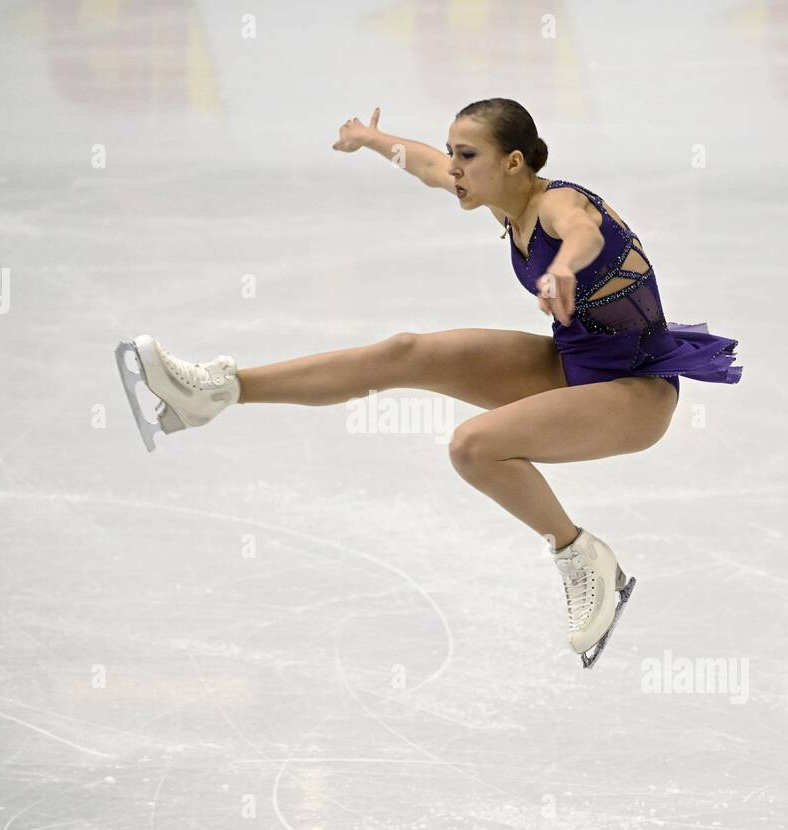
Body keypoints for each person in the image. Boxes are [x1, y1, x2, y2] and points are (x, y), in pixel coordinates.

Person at [115, 98, 742, 669]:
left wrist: (561, 270)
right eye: (454, 153)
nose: (454, 167)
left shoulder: (555, 202)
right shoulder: (502, 198)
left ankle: (582, 557)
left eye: (467, 155)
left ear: (514, 161)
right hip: (575, 359)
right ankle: (214, 393)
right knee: (403, 352)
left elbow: (584, 229)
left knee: (473, 445)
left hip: (638, 389)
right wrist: (372, 137)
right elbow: (422, 165)